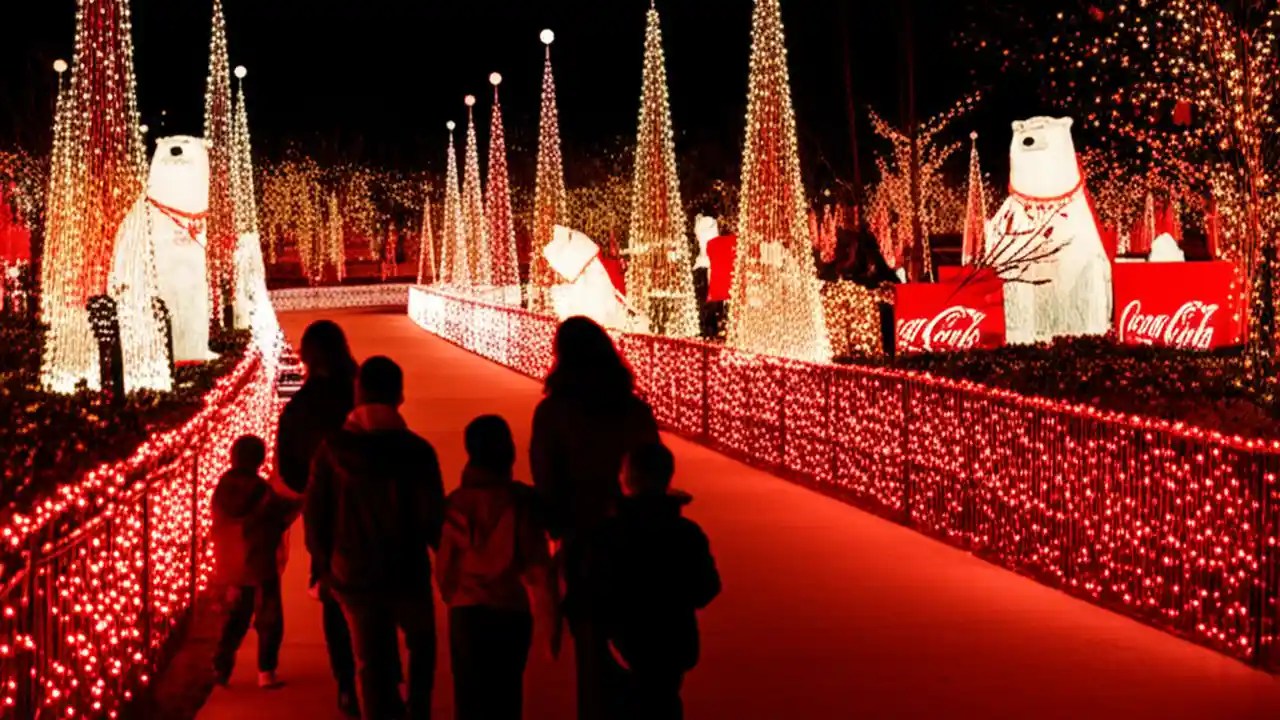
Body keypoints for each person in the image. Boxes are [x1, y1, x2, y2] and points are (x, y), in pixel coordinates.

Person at [529, 316, 660, 720]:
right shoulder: (635, 410)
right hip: (638, 538)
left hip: (584, 540)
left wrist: (555, 527)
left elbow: (545, 475)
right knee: (645, 652)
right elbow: (653, 467)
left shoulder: (553, 413)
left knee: (592, 653)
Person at [306, 356, 445, 720]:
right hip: (406, 568)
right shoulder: (417, 451)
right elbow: (433, 517)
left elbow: (316, 515)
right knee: (422, 645)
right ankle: (418, 707)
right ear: (399, 395)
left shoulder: (332, 451)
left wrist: (323, 567)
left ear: (358, 393)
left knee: (370, 662)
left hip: (351, 571)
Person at [587, 443, 720, 720]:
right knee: (664, 702)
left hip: (624, 641)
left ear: (626, 479)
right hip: (672, 641)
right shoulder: (686, 533)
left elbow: (593, 589)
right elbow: (706, 588)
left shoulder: (609, 534)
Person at [437, 415, 558, 720]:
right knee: (506, 695)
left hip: (467, 611)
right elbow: (538, 568)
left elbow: (444, 568)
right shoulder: (519, 503)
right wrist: (551, 624)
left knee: (468, 696)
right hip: (509, 611)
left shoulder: (457, 503)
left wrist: (456, 594)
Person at [275, 320, 362, 715]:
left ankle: (346, 681)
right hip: (369, 506)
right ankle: (383, 673)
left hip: (324, 513)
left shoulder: (299, 408)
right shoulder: (360, 392)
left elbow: (291, 471)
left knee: (334, 596)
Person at [211, 435, 300, 689]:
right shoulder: (261, 491)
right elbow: (279, 516)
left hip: (230, 562)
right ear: (260, 459)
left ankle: (221, 667)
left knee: (235, 618)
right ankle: (266, 671)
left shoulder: (222, 488)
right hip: (260, 561)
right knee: (269, 617)